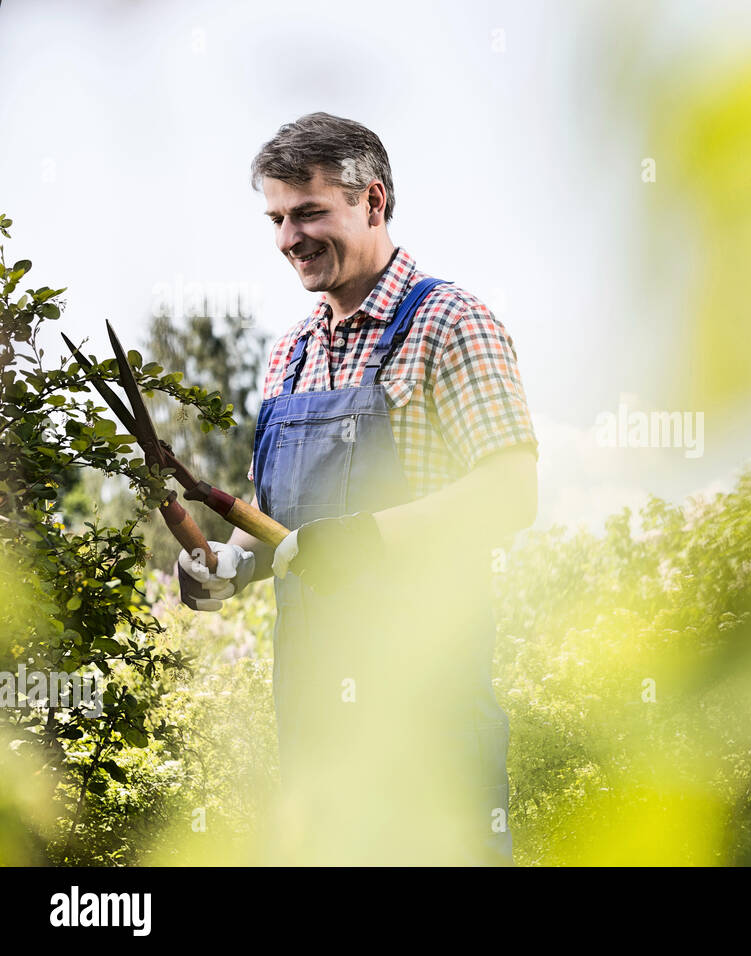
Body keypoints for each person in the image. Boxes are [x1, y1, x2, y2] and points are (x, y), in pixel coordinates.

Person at [175, 111, 539, 865]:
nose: (288, 238)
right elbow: (270, 518)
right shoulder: (290, 355)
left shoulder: (450, 323)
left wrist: (365, 537)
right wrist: (227, 565)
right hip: (313, 726)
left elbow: (511, 492)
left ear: (373, 202)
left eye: (308, 212)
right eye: (276, 218)